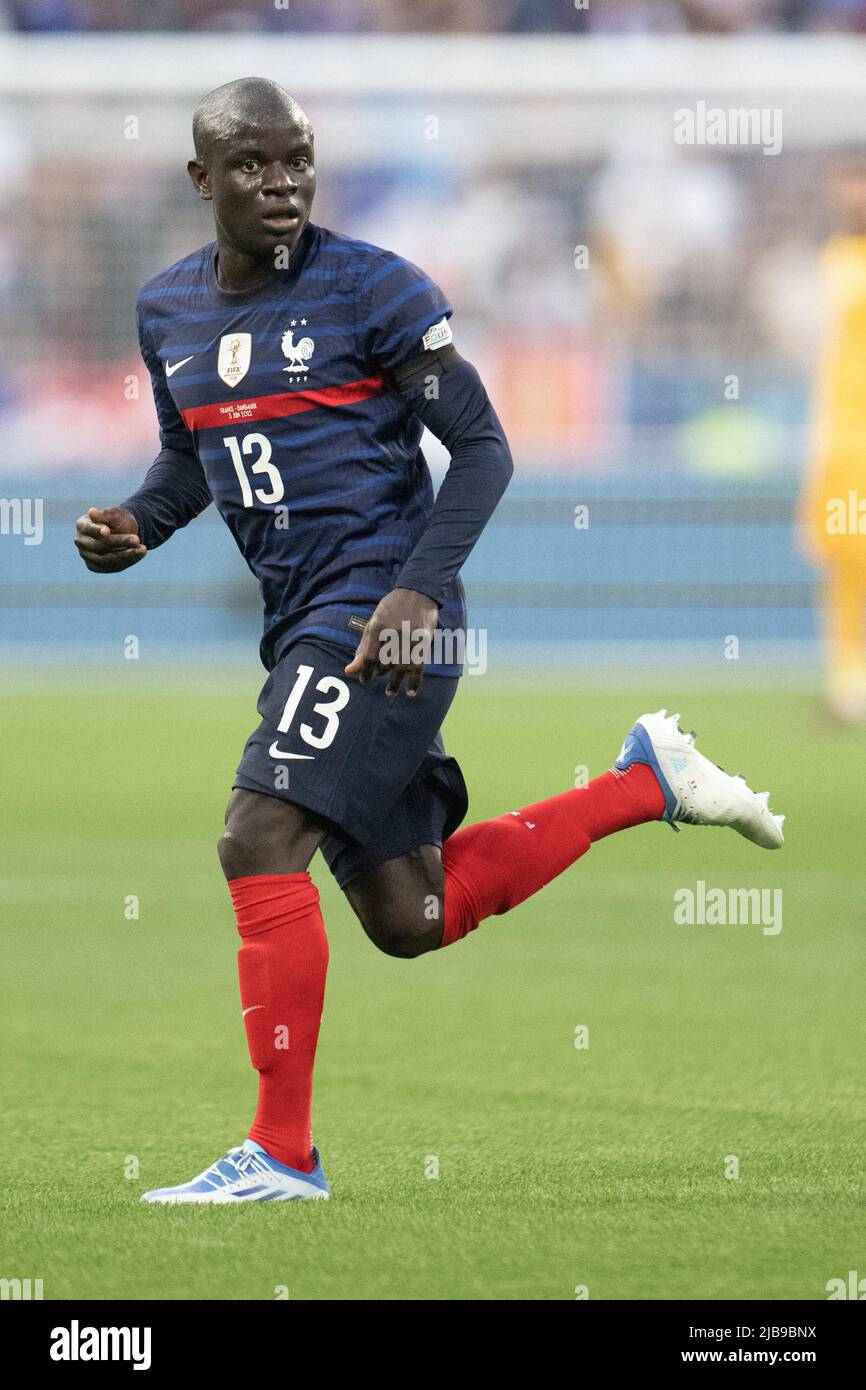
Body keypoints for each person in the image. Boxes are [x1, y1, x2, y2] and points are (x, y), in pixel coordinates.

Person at [75, 77, 783, 1204]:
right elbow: (188, 460)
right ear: (202, 181)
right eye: (253, 165)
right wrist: (135, 525)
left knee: (256, 834)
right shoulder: (168, 310)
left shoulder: (375, 288)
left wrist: (417, 588)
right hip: (303, 620)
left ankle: (281, 1156)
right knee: (407, 914)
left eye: (296, 159)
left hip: (383, 619)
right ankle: (639, 782)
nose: (281, 183)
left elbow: (485, 446)